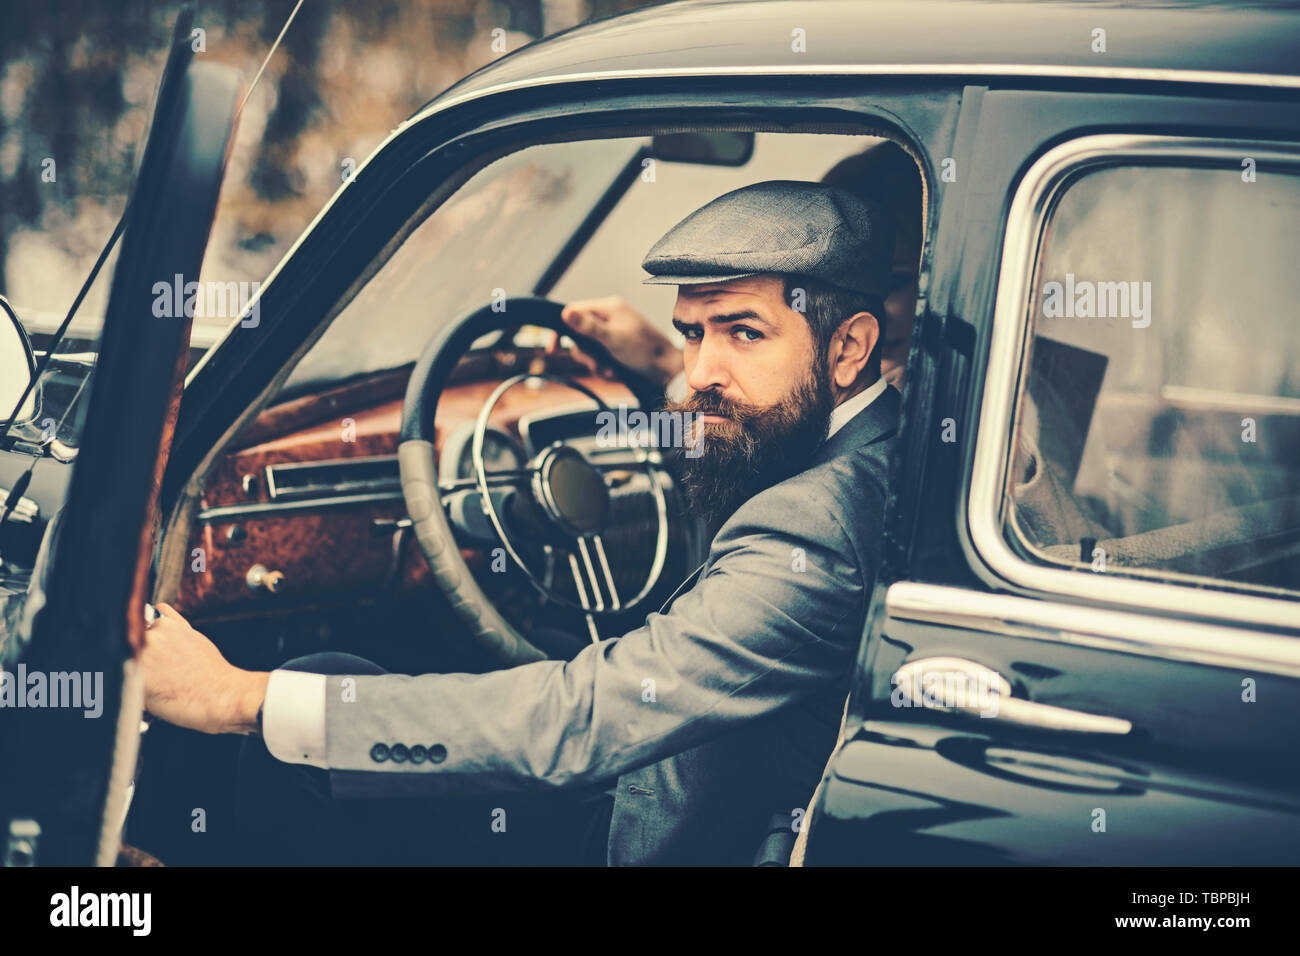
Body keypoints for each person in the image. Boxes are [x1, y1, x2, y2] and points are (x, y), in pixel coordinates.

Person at [141, 179, 902, 866]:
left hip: (642, 833)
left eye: (743, 332)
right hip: (682, 780)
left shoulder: (815, 530)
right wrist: (650, 369)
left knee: (307, 728)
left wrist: (240, 698)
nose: (701, 371)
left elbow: (584, 716)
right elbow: (730, 429)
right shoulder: (873, 438)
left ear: (849, 348)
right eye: (690, 334)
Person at [558, 140, 923, 393]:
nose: (852, 303)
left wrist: (661, 361)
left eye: (894, 281)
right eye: (693, 334)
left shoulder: (920, 398)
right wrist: (660, 358)